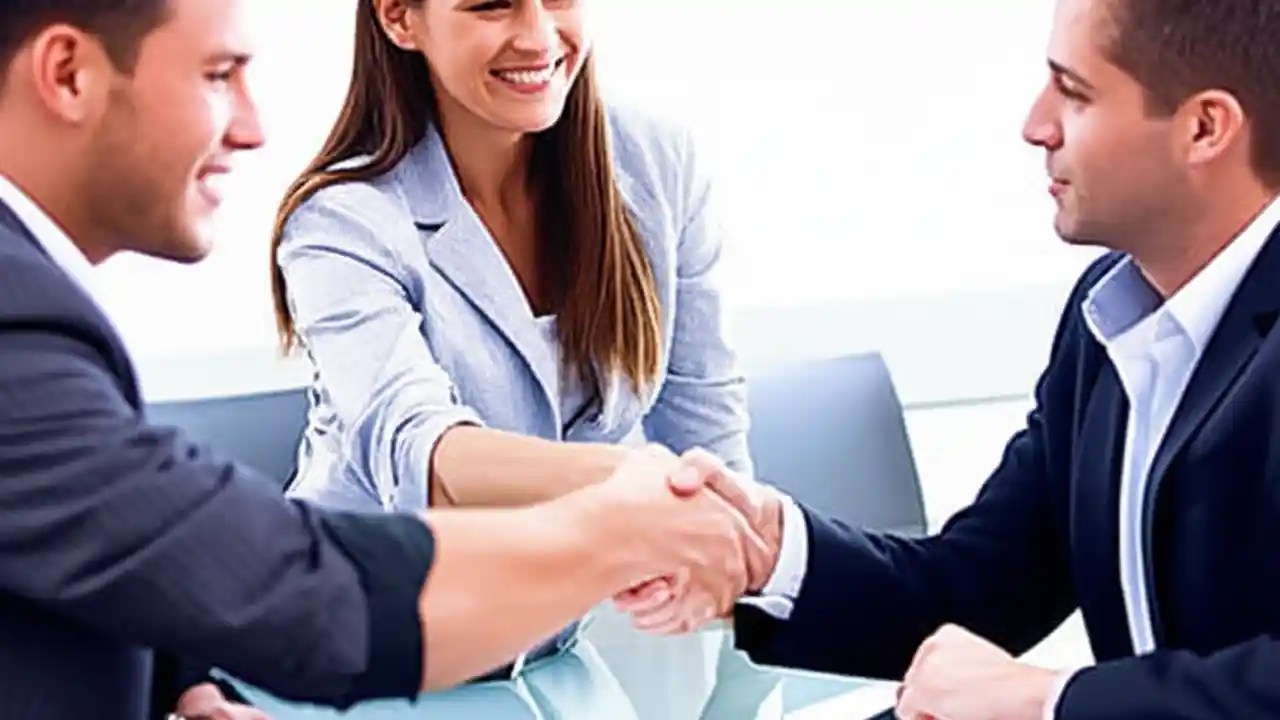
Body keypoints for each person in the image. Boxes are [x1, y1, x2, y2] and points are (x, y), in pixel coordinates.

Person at [0, 1, 768, 718]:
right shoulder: (20, 323)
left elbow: (110, 532)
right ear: (67, 74)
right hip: (365, 653)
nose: (254, 130)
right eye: (217, 76)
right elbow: (294, 573)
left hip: (534, 660)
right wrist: (624, 513)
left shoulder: (35, 299)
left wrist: (182, 681)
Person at [624, 0, 1280, 718]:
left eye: (1075, 93)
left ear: (1204, 127)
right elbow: (978, 589)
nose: (1036, 125)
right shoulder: (1108, 314)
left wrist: (1048, 700)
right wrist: (768, 553)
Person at [267, 0, 774, 703]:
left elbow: (708, 429)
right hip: (353, 660)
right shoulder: (341, 220)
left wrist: (728, 564)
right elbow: (426, 453)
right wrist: (637, 483)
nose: (538, 35)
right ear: (398, 19)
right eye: (490, 5)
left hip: (551, 662)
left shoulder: (658, 165)